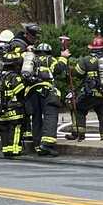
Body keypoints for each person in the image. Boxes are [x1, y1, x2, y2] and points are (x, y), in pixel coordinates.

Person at [23, 22, 66, 157]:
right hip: (47, 91)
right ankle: (47, 145)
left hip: (32, 92)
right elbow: (58, 69)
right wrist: (63, 57)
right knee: (50, 116)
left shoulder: (32, 59)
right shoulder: (50, 59)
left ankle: (37, 145)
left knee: (36, 118)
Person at [0, 27, 29, 157]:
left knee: (3, 130)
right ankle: (15, 150)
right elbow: (20, 90)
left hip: (0, 110)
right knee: (16, 129)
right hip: (13, 109)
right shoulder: (14, 77)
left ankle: (6, 150)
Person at [69, 37, 103, 142]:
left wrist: (71, 70)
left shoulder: (86, 60)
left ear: (92, 49)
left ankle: (79, 133)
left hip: (90, 94)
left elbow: (78, 73)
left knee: (78, 108)